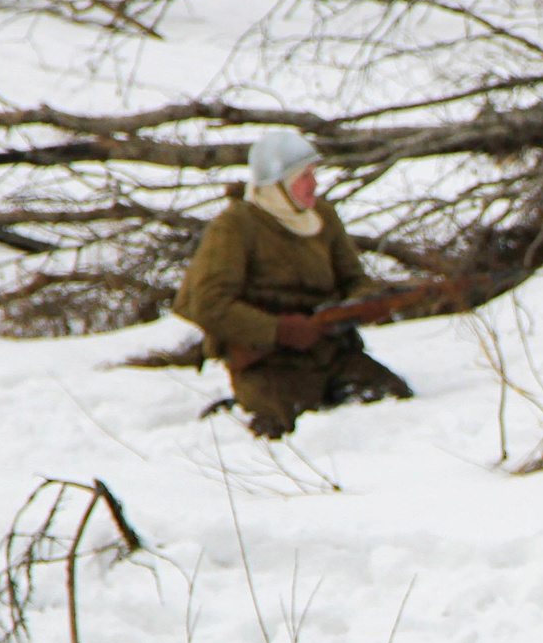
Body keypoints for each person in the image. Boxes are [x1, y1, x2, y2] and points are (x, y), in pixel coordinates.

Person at [173, 129, 414, 440]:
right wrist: (280, 330)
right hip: (269, 362)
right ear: (277, 184)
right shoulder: (235, 226)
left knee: (390, 399)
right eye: (304, 176)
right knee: (286, 424)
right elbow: (210, 304)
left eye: (314, 174)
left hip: (332, 352)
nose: (314, 184)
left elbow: (354, 280)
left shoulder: (323, 216)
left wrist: (363, 305)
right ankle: (238, 406)